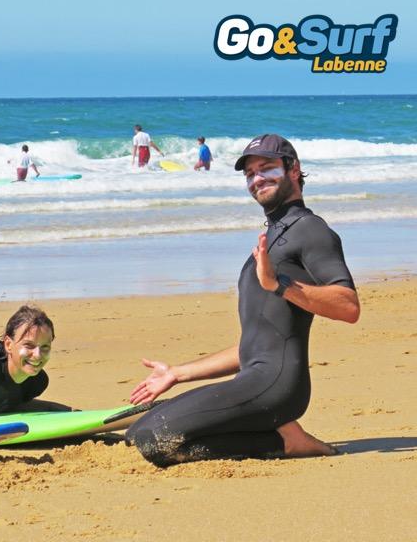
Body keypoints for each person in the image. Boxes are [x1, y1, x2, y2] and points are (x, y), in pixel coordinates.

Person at [125, 134, 360, 467]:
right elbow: (253, 344)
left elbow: (348, 306)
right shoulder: (273, 236)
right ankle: (281, 435)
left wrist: (280, 285)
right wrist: (177, 373)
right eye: (250, 173)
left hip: (276, 386)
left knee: (155, 443)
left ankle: (285, 442)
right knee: (137, 433)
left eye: (266, 168)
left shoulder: (311, 230)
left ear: (293, 170)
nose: (256, 179)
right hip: (252, 379)